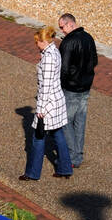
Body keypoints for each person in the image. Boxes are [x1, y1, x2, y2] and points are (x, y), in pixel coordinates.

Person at [20, 26, 73, 181]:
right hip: (56, 102)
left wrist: (40, 109)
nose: (36, 44)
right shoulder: (53, 51)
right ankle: (65, 168)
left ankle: (32, 173)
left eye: (37, 42)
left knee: (38, 138)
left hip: (49, 104)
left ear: (44, 41)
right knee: (58, 135)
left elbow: (46, 86)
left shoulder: (48, 57)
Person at [58, 13, 97, 169]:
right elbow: (95, 61)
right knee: (80, 122)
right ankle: (78, 155)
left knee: (65, 121)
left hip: (71, 88)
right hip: (85, 86)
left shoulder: (68, 42)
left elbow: (64, 69)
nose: (61, 30)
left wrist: (60, 86)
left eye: (62, 27)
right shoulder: (88, 38)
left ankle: (72, 156)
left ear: (70, 24)